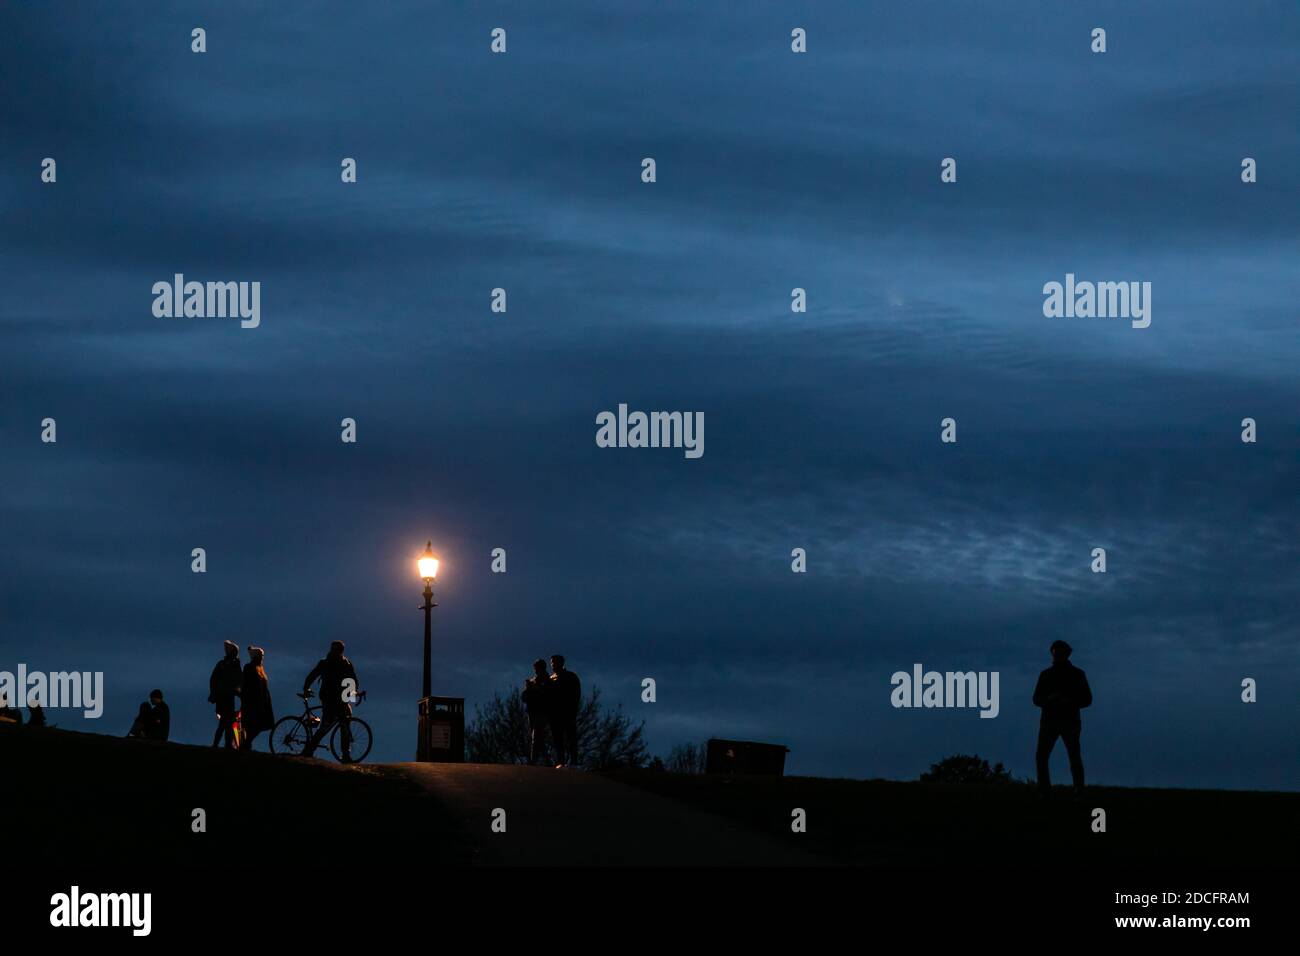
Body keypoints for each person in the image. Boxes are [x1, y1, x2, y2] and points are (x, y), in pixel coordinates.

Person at [1033, 639, 1093, 798]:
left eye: (1059, 653)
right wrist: (1050, 699)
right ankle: (1046, 789)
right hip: (1051, 721)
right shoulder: (1046, 675)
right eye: (1055, 652)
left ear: (1066, 654)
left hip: (1067, 721)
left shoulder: (1077, 674)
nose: (1056, 655)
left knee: (1072, 755)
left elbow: (1087, 699)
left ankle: (1077, 789)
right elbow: (1036, 699)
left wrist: (1069, 700)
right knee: (1043, 756)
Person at [302, 640, 358, 759]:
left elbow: (312, 675)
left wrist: (306, 687)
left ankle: (310, 750)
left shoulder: (331, 662)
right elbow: (353, 681)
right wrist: (352, 696)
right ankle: (344, 754)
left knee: (340, 724)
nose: (332, 651)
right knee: (332, 724)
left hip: (334, 698)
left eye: (334, 649)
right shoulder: (342, 663)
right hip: (333, 698)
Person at [548, 654, 581, 769]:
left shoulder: (570, 677)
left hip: (568, 713)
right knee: (558, 739)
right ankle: (560, 761)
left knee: (571, 738)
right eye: (552, 662)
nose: (553, 665)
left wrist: (573, 711)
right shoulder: (551, 679)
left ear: (561, 663)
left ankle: (574, 762)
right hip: (555, 715)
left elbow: (576, 695)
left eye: (555, 662)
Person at [209, 641, 242, 749]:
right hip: (225, 697)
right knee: (226, 722)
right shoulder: (226, 665)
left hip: (225, 697)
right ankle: (226, 744)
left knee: (225, 723)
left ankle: (220, 744)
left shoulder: (225, 665)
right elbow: (238, 681)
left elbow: (214, 680)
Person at [240, 647, 275, 750]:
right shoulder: (249, 668)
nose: (262, 658)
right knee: (253, 726)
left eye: (262, 656)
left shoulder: (260, 669)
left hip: (260, 702)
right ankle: (246, 745)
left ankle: (246, 745)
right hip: (252, 702)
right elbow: (247, 685)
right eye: (260, 656)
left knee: (257, 725)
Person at [521, 659, 551, 766]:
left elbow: (546, 695)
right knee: (538, 737)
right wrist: (527, 689)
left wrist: (534, 688)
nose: (535, 671)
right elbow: (524, 697)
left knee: (537, 735)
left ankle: (533, 760)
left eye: (537, 668)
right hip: (532, 711)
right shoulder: (533, 680)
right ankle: (546, 760)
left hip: (541, 711)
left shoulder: (547, 680)